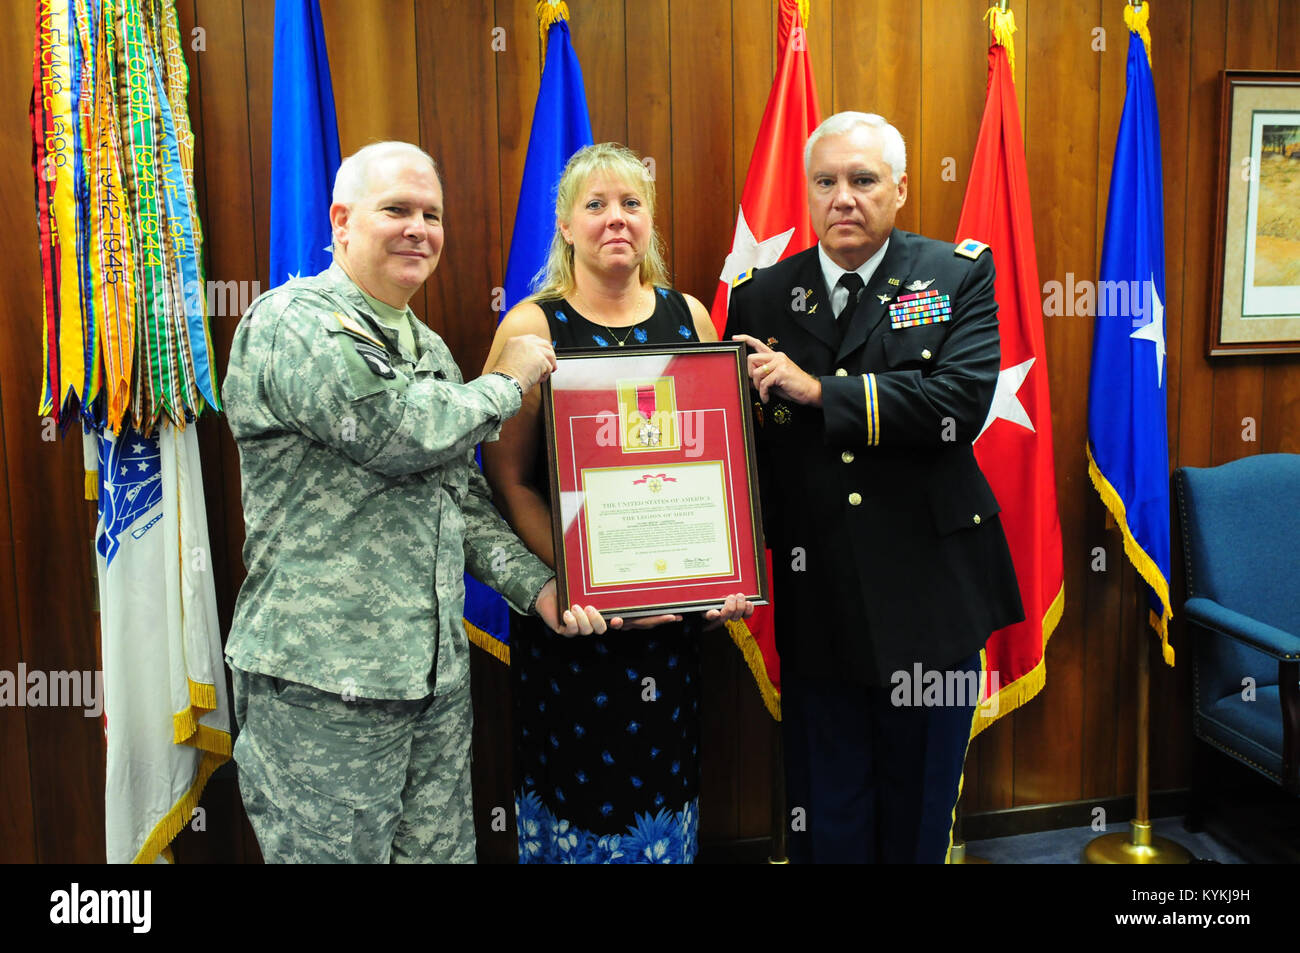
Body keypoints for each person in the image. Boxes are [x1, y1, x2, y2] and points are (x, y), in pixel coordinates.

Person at [222, 140, 607, 864]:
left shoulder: (426, 346)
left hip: (429, 680)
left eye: (432, 214)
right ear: (341, 221)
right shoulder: (295, 322)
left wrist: (540, 588)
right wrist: (509, 383)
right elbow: (395, 433)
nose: (418, 228)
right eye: (395, 209)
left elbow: (456, 502)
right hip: (324, 689)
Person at [725, 113, 1024, 863]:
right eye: (825, 182)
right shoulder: (761, 296)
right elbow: (746, 448)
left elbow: (957, 403)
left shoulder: (955, 274)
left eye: (863, 181)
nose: (843, 199)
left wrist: (820, 390)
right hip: (818, 590)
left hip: (932, 594)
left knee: (917, 814)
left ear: (900, 187)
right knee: (829, 814)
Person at [482, 142, 752, 863]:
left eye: (631, 203)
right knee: (576, 811)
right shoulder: (532, 328)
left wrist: (722, 576)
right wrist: (583, 577)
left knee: (659, 811)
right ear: (566, 226)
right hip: (577, 622)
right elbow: (507, 482)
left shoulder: (687, 315)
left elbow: (711, 467)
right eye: (595, 205)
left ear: (650, 221)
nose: (616, 219)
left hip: (668, 626)